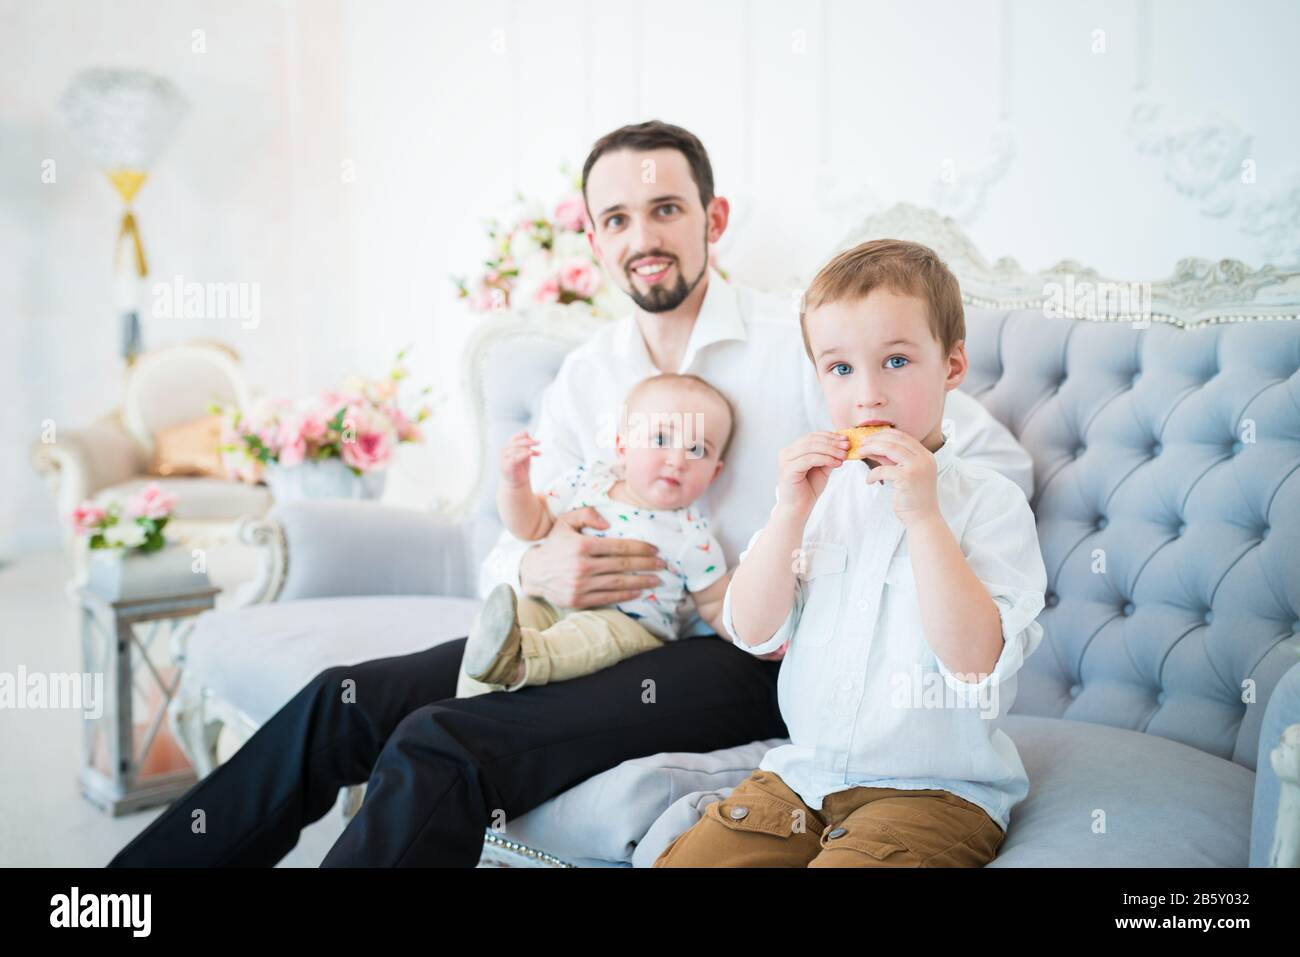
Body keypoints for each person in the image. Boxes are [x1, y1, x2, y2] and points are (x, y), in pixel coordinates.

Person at [109, 121, 1034, 868]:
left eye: (665, 208)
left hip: (738, 653)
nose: (644, 236)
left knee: (444, 740)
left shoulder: (808, 349)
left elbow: (967, 454)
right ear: (594, 238)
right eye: (618, 218)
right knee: (341, 697)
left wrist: (840, 532)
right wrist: (537, 557)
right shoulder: (590, 373)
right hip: (601, 627)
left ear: (712, 218)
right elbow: (511, 536)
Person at [654, 239, 1047, 867]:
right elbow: (751, 631)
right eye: (840, 369)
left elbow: (975, 665)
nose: (867, 395)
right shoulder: (816, 500)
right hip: (802, 780)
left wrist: (923, 517)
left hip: (934, 794)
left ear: (951, 366)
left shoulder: (989, 504)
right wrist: (788, 515)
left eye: (895, 360)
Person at [460, 372, 735, 694]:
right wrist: (514, 485)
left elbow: (716, 604)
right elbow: (529, 525)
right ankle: (472, 698)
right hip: (551, 602)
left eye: (698, 450)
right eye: (661, 440)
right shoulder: (588, 481)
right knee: (514, 618)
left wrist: (754, 639)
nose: (677, 459)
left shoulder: (693, 537)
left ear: (715, 472)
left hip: (631, 626)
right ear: (622, 446)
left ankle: (523, 661)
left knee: (594, 631)